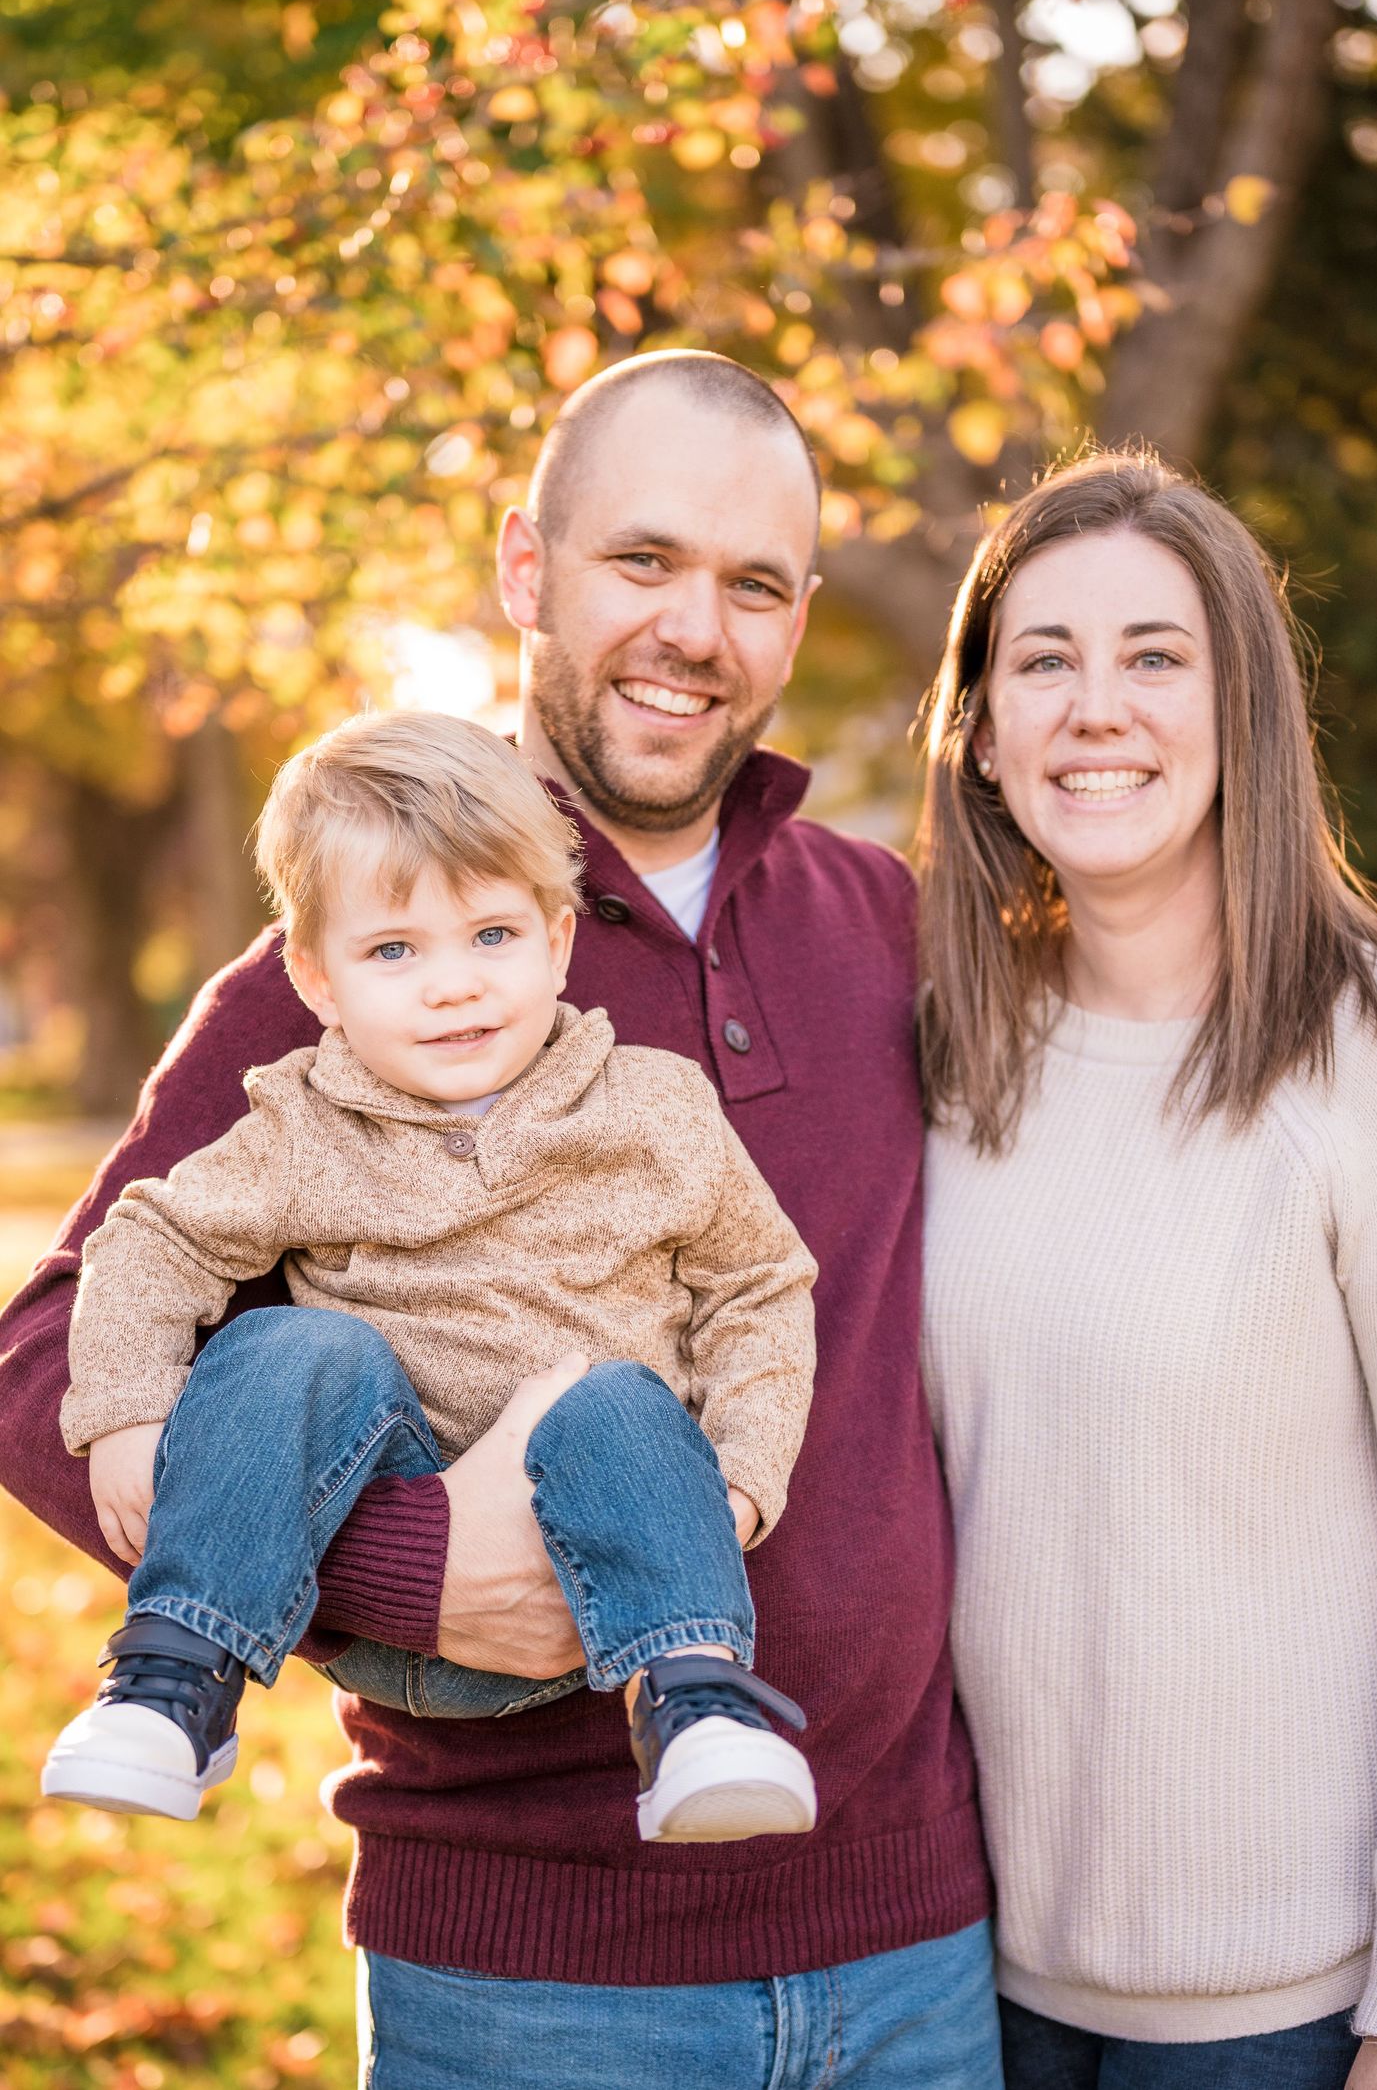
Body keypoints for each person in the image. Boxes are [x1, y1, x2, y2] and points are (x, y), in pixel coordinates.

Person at [0, 352, 1001, 2088]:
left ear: (799, 618)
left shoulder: (884, 924)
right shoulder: (384, 951)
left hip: (915, 1949)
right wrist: (414, 1572)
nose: (696, 629)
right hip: (535, 1982)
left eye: (752, 586)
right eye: (644, 562)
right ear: (525, 565)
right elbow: (37, 1370)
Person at [916, 450, 1377, 2089]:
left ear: (1244, 708)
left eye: (1155, 656)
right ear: (982, 729)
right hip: (975, 1992)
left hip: (1293, 2018)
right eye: (1044, 660)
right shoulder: (949, 1050)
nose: (1097, 708)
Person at [43, 709, 819, 1847]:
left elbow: (757, 1287)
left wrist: (744, 1475)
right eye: (394, 951)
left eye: (491, 936)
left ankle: (696, 1704)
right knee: (292, 1348)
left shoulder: (652, 1107)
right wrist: (122, 1412)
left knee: (610, 1392)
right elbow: (152, 1241)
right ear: (315, 977)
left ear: (559, 941)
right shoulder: (305, 1122)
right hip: (400, 1604)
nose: (452, 986)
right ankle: (176, 1682)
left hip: (611, 1574)